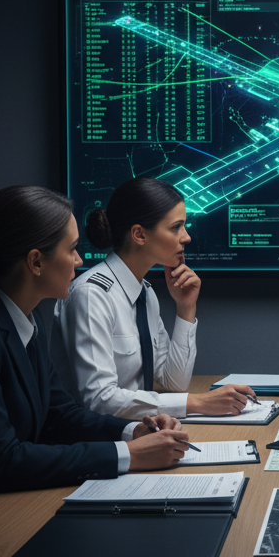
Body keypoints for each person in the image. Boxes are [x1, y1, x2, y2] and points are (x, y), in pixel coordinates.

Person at [0, 186, 191, 522]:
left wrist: (133, 431)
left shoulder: (25, 319)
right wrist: (128, 454)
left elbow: (58, 415)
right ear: (35, 262)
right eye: (72, 249)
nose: (79, 260)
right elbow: (3, 462)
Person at [53, 177, 253, 418]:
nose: (186, 237)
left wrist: (185, 308)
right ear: (139, 234)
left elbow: (173, 382)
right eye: (175, 227)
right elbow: (99, 400)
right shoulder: (91, 295)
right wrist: (198, 403)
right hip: (95, 445)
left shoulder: (145, 293)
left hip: (139, 434)